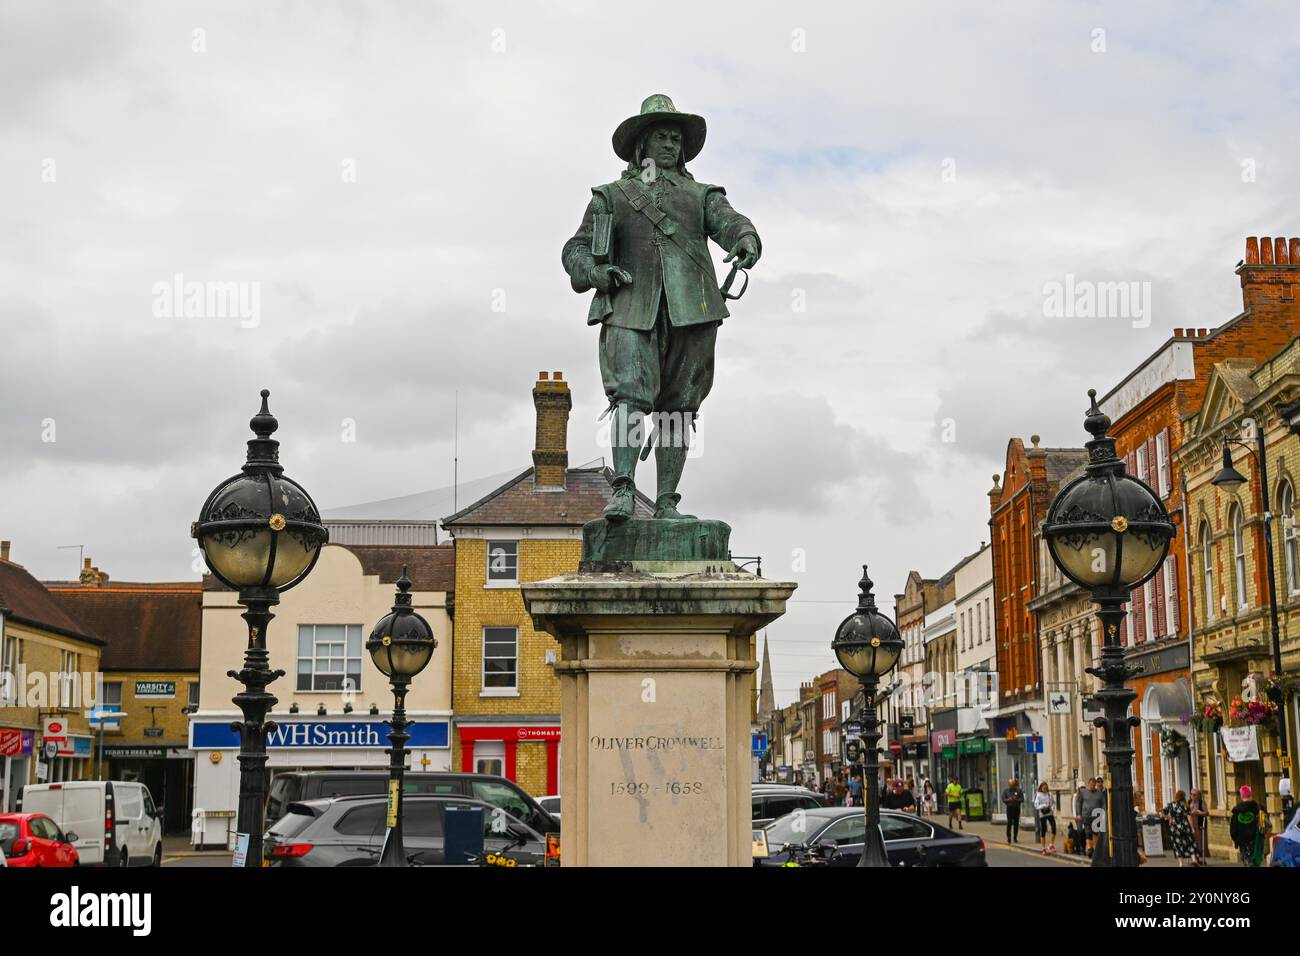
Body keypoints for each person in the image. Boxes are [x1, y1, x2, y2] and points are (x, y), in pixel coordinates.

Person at [562, 94, 761, 521]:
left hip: (693, 310)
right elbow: (575, 250)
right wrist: (596, 274)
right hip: (632, 307)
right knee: (630, 396)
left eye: (676, 138)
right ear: (642, 146)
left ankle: (668, 500)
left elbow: (731, 222)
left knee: (679, 407)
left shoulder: (703, 195)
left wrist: (746, 240)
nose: (670, 145)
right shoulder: (611, 197)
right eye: (661, 137)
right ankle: (623, 488)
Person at [1230, 785, 1266, 867]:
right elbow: (1265, 823)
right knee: (1256, 862)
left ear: (1241, 796)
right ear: (1251, 795)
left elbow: (1233, 829)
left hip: (1242, 841)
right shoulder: (1259, 808)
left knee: (1246, 861)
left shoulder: (1236, 811)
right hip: (1256, 840)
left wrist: (1235, 840)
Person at [1161, 790, 1195, 867]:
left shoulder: (1171, 805)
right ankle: (1194, 859)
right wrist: (1192, 828)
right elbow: (1189, 817)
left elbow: (1162, 812)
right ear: (1183, 797)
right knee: (1189, 843)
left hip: (1175, 828)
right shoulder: (1186, 806)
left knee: (1177, 845)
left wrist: (1168, 818)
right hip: (1185, 827)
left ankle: (1181, 863)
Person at [1187, 788, 1209, 866]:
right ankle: (1195, 858)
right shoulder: (1189, 802)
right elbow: (1186, 813)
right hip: (1191, 824)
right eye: (1191, 794)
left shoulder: (1202, 802)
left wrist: (1199, 812)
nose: (1192, 796)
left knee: (1201, 841)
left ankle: (1202, 858)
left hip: (1199, 824)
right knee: (1193, 841)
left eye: (1194, 795)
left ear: (1199, 796)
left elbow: (1206, 813)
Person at [1033, 783, 1057, 855]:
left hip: (1049, 813)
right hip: (1042, 814)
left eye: (1046, 788)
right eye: (1043, 788)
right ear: (1041, 788)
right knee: (1043, 830)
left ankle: (1051, 845)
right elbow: (1036, 806)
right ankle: (1043, 848)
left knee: (1054, 828)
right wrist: (1043, 806)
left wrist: (1052, 808)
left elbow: (1053, 803)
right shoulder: (1038, 795)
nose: (1045, 789)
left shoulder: (1050, 794)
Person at [1001, 777, 1025, 843]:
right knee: (1009, 823)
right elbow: (1003, 799)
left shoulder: (1019, 790)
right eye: (1010, 784)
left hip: (1016, 808)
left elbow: (1022, 799)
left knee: (1016, 823)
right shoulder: (1006, 791)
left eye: (1013, 784)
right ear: (1009, 784)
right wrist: (1008, 800)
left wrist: (1016, 799)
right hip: (1009, 808)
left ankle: (1015, 837)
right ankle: (1008, 837)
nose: (1012, 786)